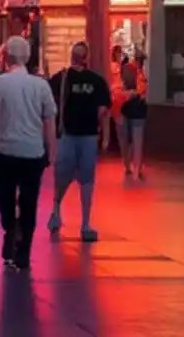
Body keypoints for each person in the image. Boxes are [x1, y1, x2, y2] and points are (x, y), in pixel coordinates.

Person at [0, 36, 57, 270]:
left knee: (4, 196)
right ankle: (24, 250)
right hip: (33, 152)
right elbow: (50, 121)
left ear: (6, 56)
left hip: (6, 151)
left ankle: (10, 227)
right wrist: (51, 150)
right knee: (29, 200)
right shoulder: (41, 86)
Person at [46, 42, 111, 242]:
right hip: (79, 135)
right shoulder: (72, 79)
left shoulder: (65, 79)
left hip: (75, 135)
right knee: (81, 178)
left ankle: (65, 213)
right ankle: (80, 221)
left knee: (73, 177)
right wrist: (105, 136)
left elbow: (103, 110)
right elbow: (103, 111)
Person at [121, 51, 148, 180]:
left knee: (129, 139)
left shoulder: (127, 70)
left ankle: (131, 166)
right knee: (135, 139)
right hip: (135, 107)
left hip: (128, 107)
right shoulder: (141, 72)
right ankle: (135, 167)